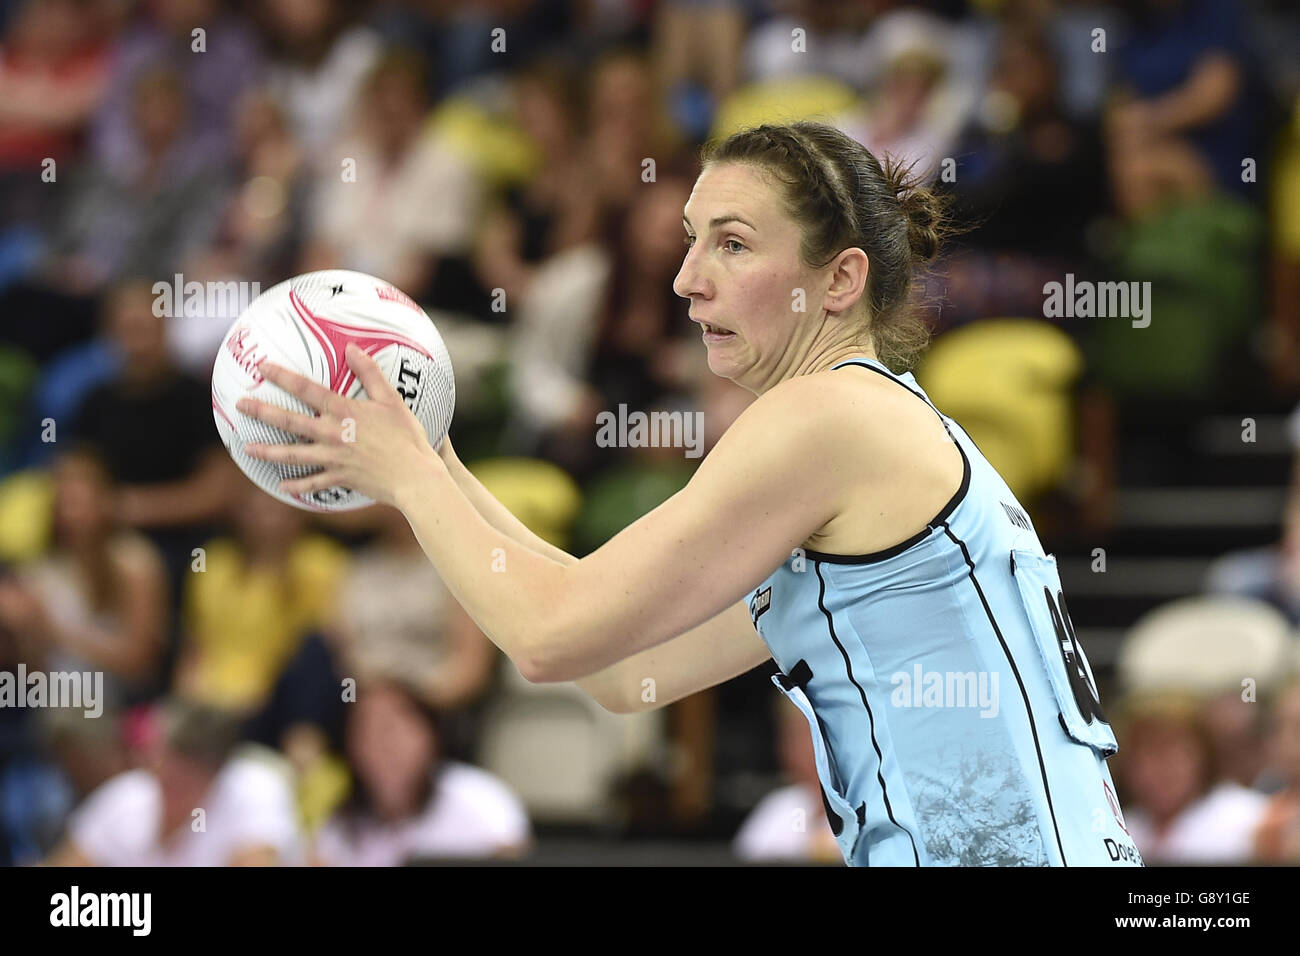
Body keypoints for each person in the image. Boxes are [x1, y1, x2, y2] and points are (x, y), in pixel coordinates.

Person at [236, 121, 1136, 867]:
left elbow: (549, 637)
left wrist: (410, 478)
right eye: (691, 238)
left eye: (732, 244)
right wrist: (435, 456)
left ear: (841, 280)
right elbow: (627, 671)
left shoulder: (828, 419)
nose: (686, 277)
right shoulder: (872, 441)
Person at [311, 679, 530, 866]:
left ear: (430, 735)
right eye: (367, 732)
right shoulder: (339, 823)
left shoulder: (482, 799)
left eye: (393, 729)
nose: (384, 745)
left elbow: (514, 855)